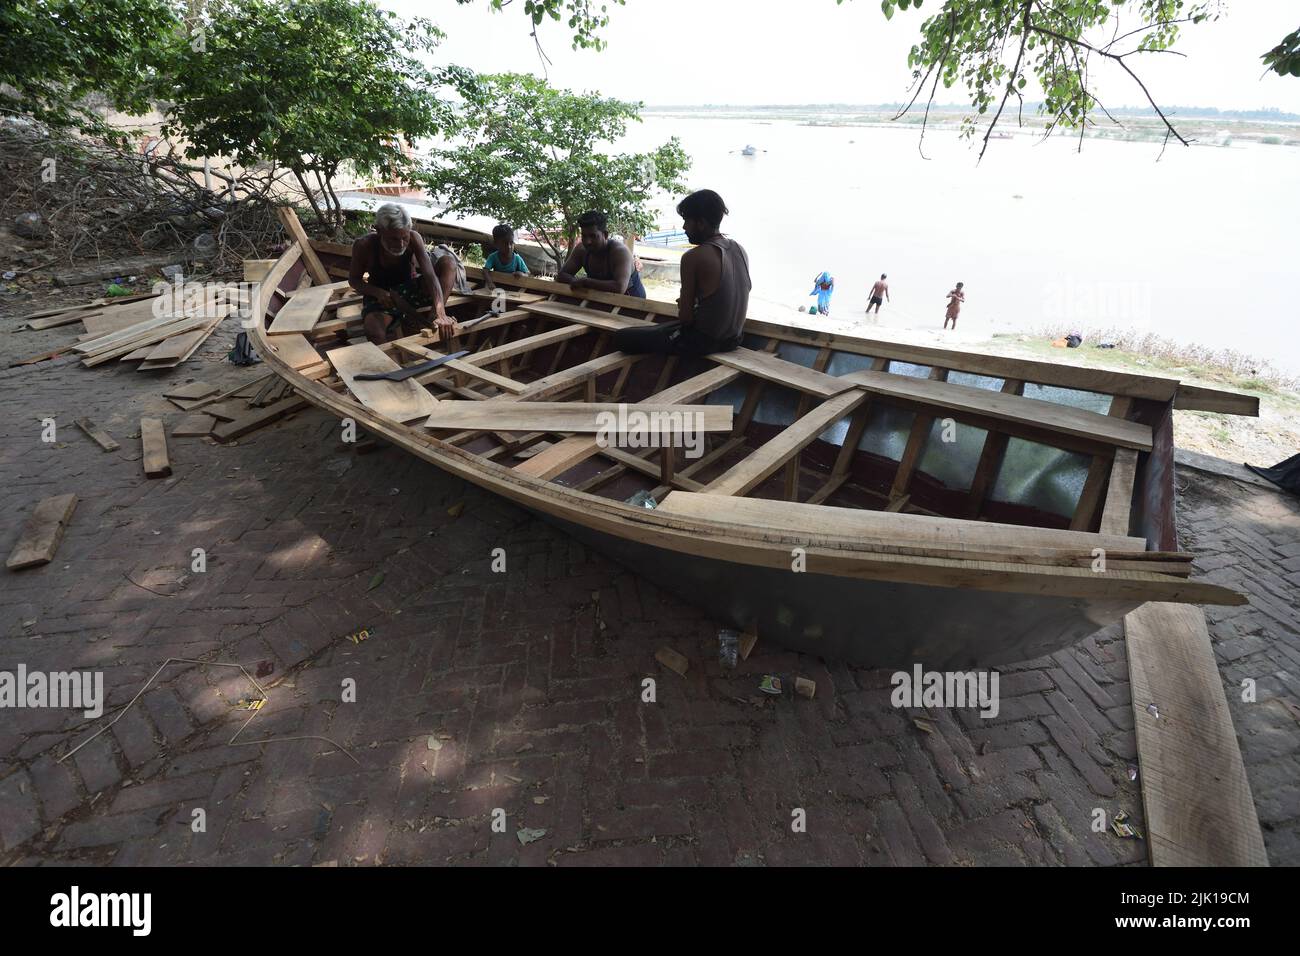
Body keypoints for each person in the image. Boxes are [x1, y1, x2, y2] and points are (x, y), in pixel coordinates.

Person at [611, 189, 750, 356]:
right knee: (658, 329)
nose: (684, 227)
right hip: (734, 339)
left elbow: (686, 319)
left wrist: (685, 306)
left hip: (704, 342)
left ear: (701, 223)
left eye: (686, 221)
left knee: (622, 337)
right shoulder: (740, 249)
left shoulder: (693, 257)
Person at [348, 203, 454, 346]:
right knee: (374, 331)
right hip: (382, 296)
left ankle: (434, 318)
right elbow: (354, 280)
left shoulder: (414, 238)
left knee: (448, 263)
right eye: (393, 239)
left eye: (404, 237)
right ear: (379, 231)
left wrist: (440, 311)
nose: (401, 243)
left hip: (410, 288)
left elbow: (430, 276)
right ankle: (391, 366)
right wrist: (377, 292)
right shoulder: (364, 245)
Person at [556, 211, 647, 298]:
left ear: (605, 235)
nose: (588, 241)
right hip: (602, 299)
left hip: (632, 302)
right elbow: (562, 275)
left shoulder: (620, 252)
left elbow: (619, 287)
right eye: (584, 236)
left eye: (593, 236)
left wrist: (585, 282)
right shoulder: (582, 250)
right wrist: (575, 281)